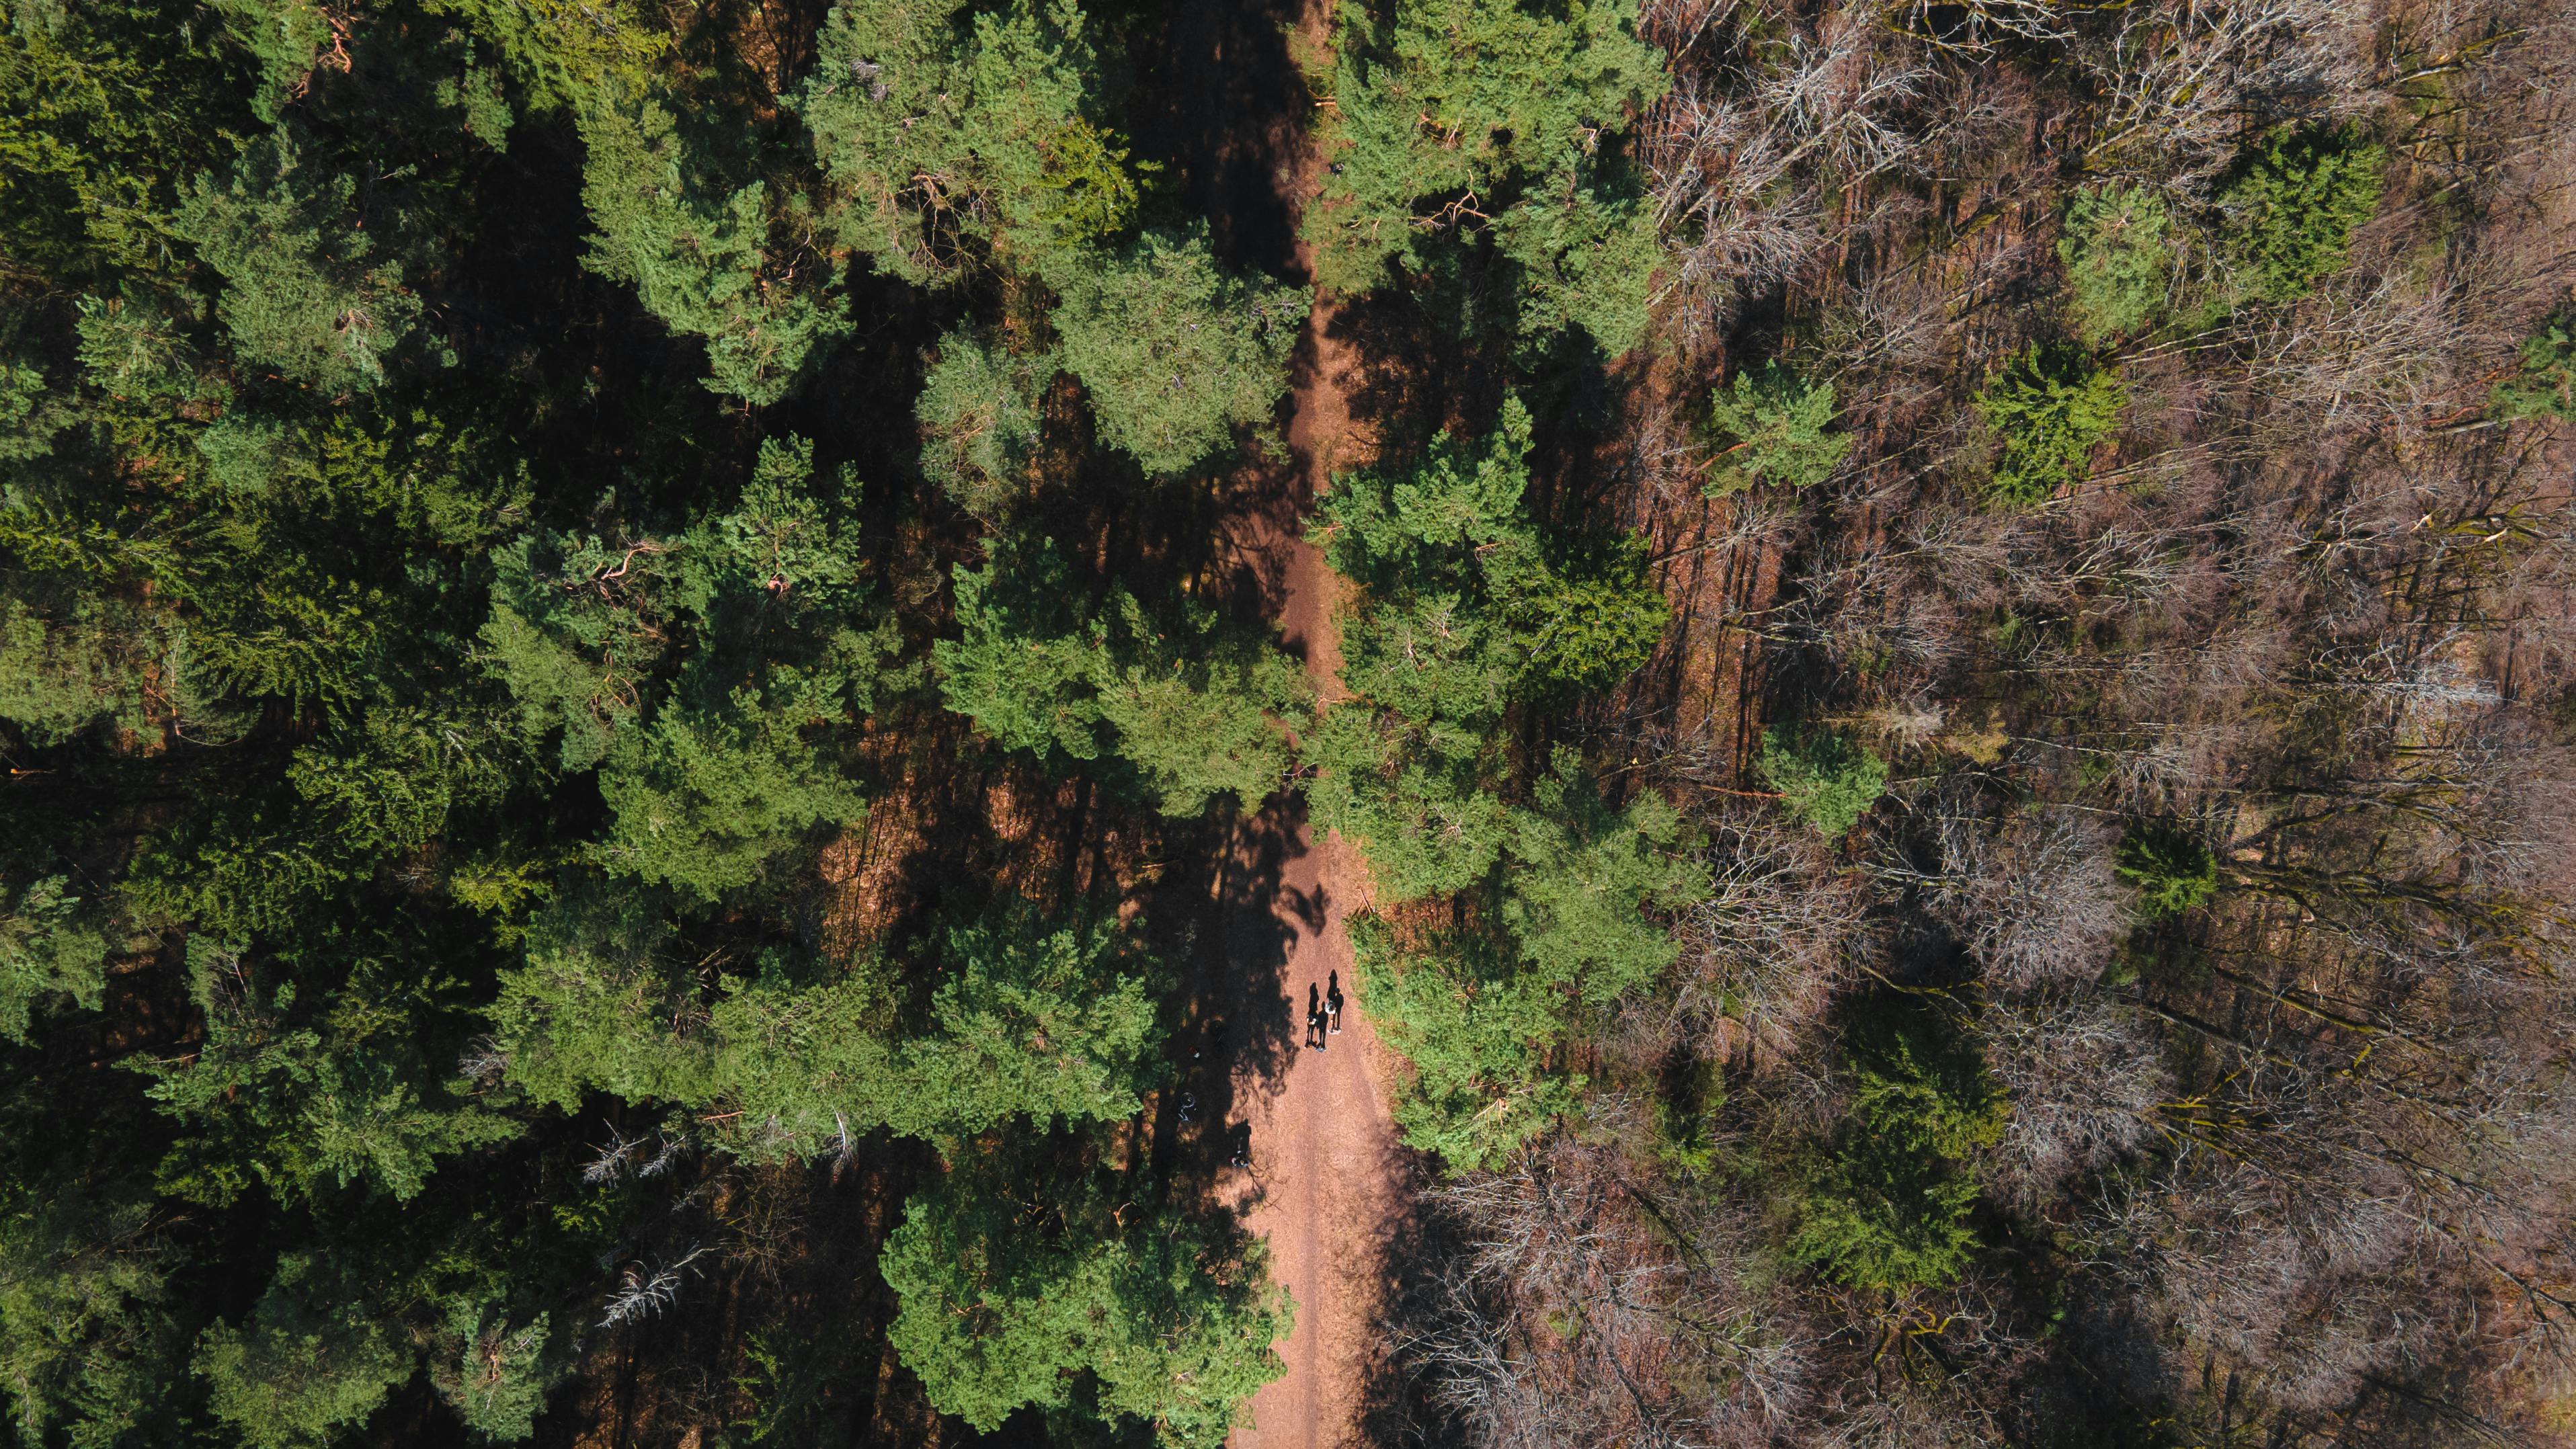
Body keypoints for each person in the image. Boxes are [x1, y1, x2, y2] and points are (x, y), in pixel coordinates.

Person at [1326, 970, 1344, 1035]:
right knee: (1337, 1016)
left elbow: (1334, 1002)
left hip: (1336, 1005)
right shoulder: (1330, 1006)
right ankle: (1336, 1027)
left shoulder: (1329, 1007)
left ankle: (1334, 1027)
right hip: (1337, 1005)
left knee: (1336, 1016)